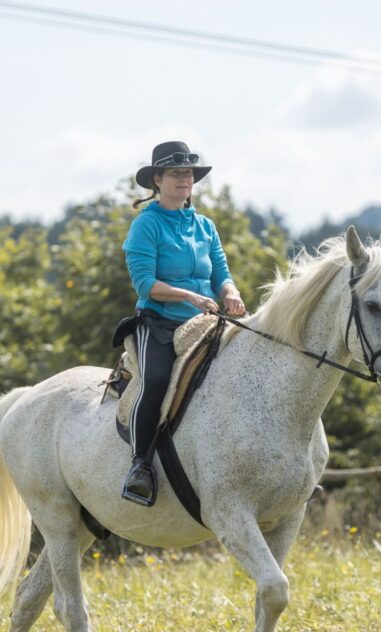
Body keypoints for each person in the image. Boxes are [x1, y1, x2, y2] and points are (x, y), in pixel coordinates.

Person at [119, 141, 246, 506]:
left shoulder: (205, 226)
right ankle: (140, 465)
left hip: (206, 323)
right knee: (156, 381)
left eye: (188, 173)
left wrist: (230, 292)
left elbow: (221, 273)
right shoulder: (146, 225)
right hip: (158, 323)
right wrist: (189, 296)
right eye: (175, 173)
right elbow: (145, 284)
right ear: (157, 180)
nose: (184, 179)